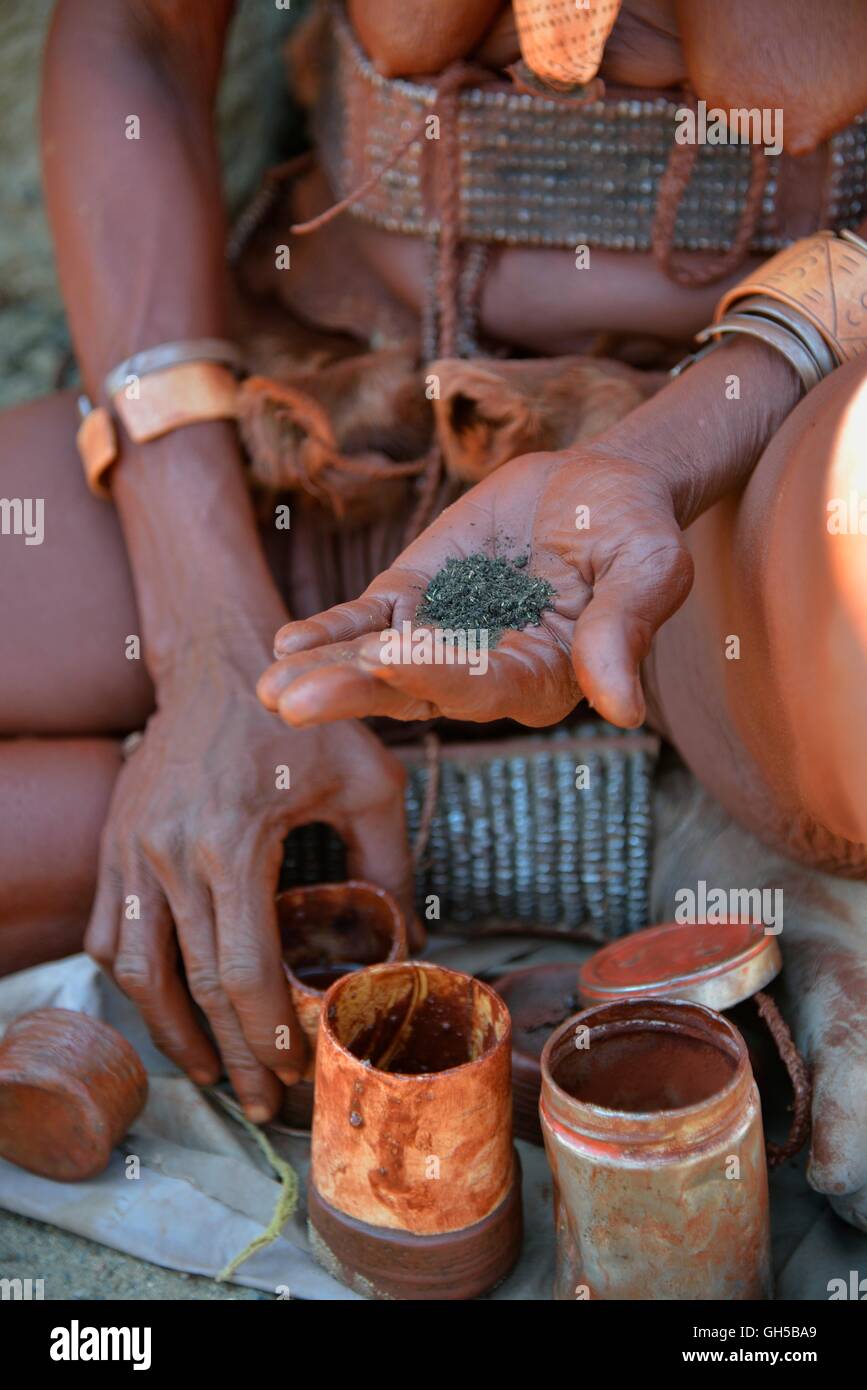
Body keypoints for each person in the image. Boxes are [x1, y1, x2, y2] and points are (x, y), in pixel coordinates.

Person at [2, 0, 866, 1230]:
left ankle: (656, 817)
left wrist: (651, 465)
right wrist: (212, 652)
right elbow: (133, 29)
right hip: (332, 424)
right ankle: (324, 844)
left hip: (749, 472)